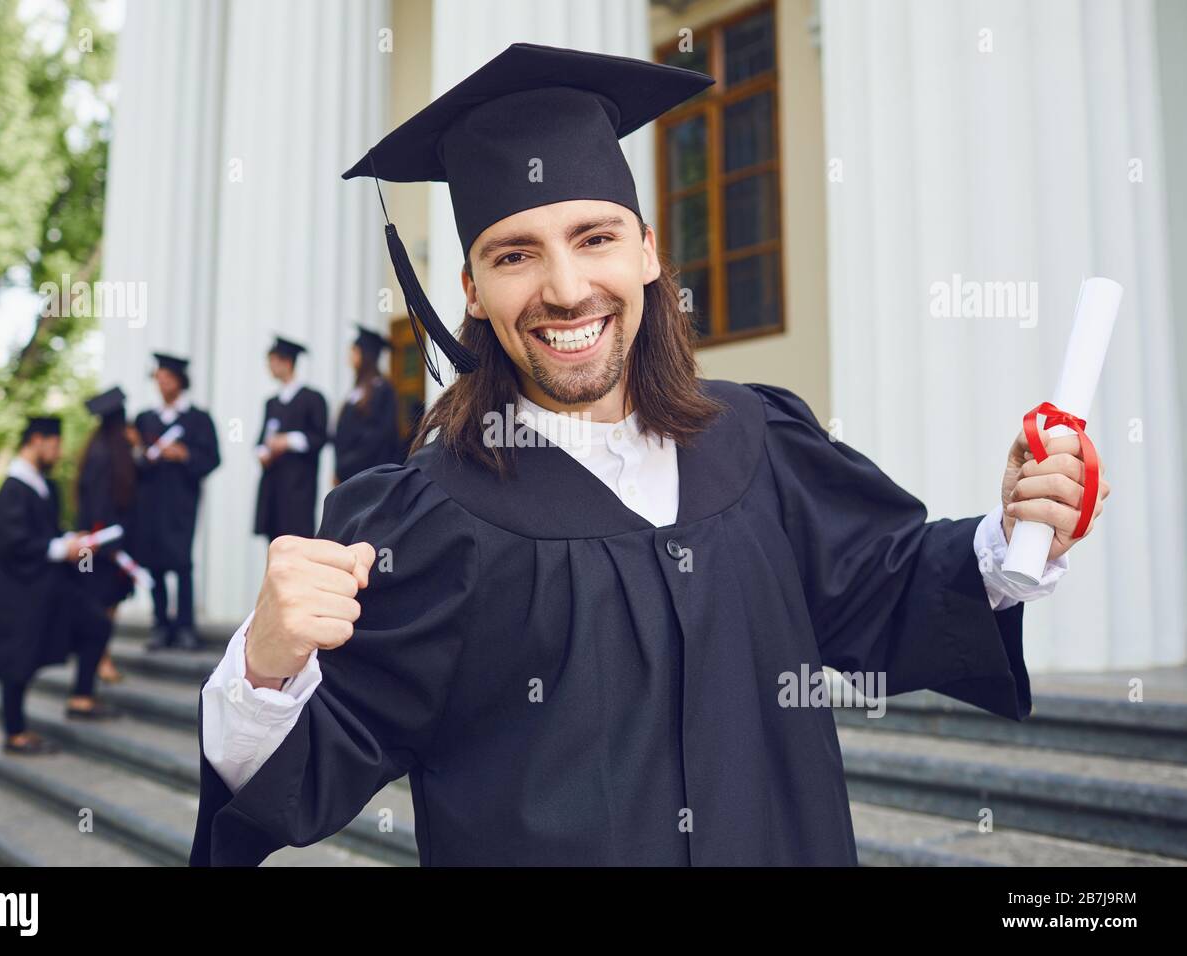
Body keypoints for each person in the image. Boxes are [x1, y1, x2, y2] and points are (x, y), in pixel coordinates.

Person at [191, 44, 1110, 866]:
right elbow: (295, 782)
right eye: (516, 256)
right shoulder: (426, 522)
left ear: (647, 252)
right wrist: (266, 664)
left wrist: (1016, 531)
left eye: (595, 239)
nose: (564, 287)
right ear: (470, 289)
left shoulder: (758, 444)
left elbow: (892, 586)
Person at [0, 416, 116, 755]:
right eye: (54, 444)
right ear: (36, 441)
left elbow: (48, 534)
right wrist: (62, 548)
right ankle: (15, 733)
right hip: (20, 590)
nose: (59, 452)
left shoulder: (44, 485)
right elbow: (13, 543)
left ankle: (81, 697)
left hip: (50, 586)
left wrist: (73, 539)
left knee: (96, 624)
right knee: (18, 660)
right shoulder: (12, 488)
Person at [133, 353, 221, 651]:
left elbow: (212, 459)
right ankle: (161, 625)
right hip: (150, 503)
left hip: (182, 503)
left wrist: (184, 455)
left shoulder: (198, 419)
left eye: (167, 378)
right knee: (154, 563)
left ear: (180, 381)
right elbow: (134, 461)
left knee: (182, 563)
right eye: (158, 378)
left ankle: (185, 626)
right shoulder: (145, 418)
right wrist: (145, 455)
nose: (161, 383)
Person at [76, 386, 139, 688]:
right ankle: (100, 659)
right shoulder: (106, 454)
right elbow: (100, 503)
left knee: (106, 602)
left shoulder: (98, 447)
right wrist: (109, 544)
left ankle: (101, 657)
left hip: (103, 541)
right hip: (104, 545)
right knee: (103, 605)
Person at [253, 335, 329, 541]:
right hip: (273, 485)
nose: (269, 367)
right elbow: (261, 440)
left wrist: (287, 441)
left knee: (296, 541)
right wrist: (263, 452)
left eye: (273, 362)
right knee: (274, 541)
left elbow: (320, 437)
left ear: (287, 362)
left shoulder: (312, 398)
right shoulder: (271, 403)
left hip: (298, 487)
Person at [333, 325, 401, 485]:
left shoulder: (383, 389)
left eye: (354, 351)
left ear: (366, 355)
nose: (350, 356)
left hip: (368, 471)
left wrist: (350, 462)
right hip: (348, 471)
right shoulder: (356, 391)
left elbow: (381, 435)